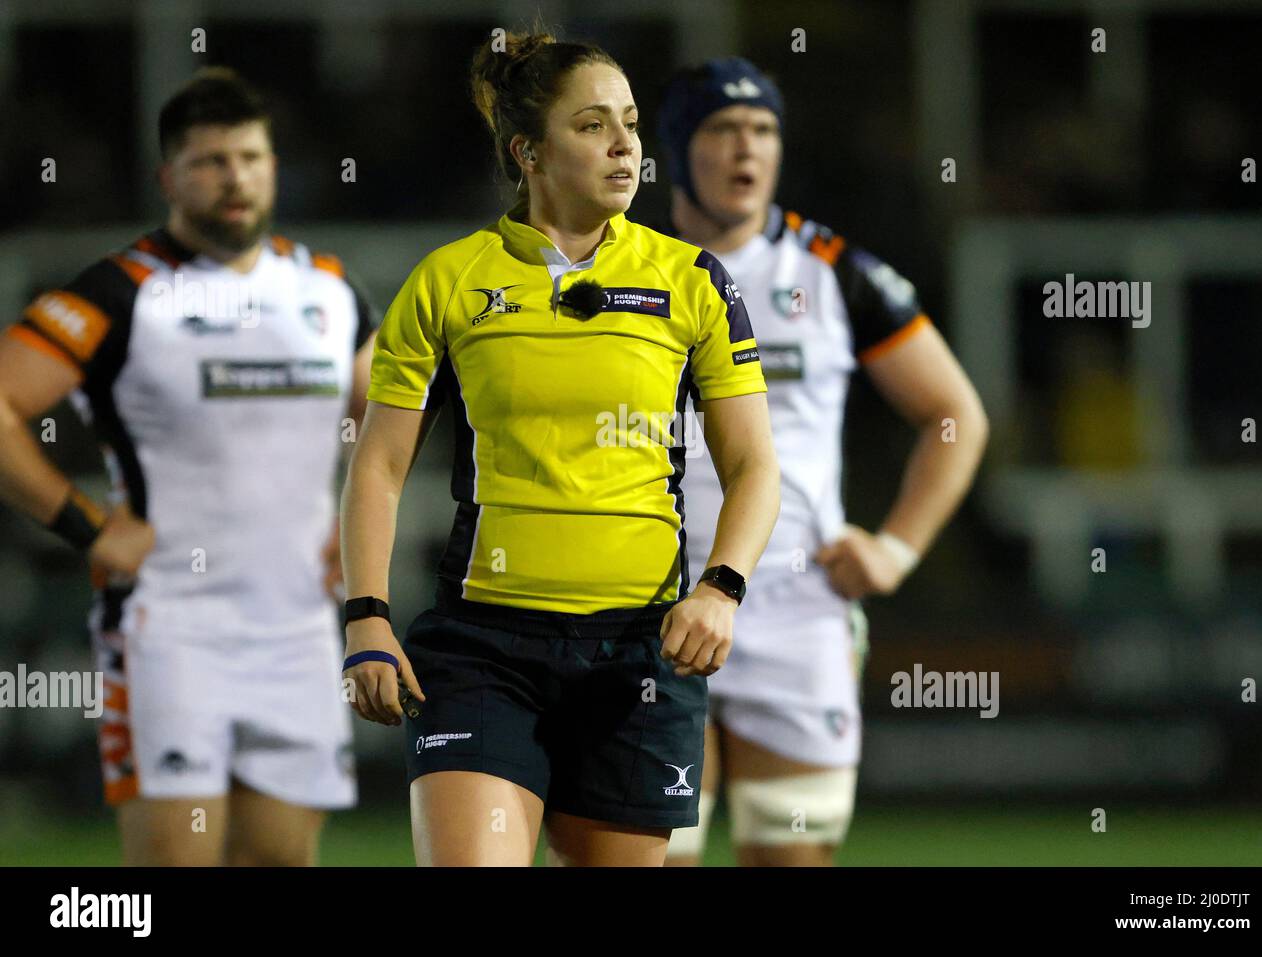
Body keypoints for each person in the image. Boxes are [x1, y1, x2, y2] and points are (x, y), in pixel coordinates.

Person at [339, 30, 781, 867]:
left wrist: (721, 588)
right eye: (592, 126)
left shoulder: (693, 280)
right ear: (528, 151)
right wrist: (367, 616)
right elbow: (380, 464)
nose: (624, 147)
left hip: (639, 655)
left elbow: (755, 465)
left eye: (632, 123)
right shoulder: (447, 281)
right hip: (483, 651)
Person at [0, 67, 372, 865]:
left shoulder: (329, 292)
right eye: (210, 161)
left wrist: (364, 524)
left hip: (299, 628)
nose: (234, 178)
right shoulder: (123, 292)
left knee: (278, 860)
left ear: (273, 166)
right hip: (169, 627)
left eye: (250, 157)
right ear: (170, 176)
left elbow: (390, 420)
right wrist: (85, 522)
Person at [658, 58, 989, 866]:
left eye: (764, 130)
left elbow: (956, 415)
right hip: (651, 609)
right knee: (651, 857)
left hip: (797, 610)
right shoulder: (622, 270)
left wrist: (898, 547)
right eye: (722, 129)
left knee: (791, 856)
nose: (748, 148)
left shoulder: (836, 273)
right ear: (675, 150)